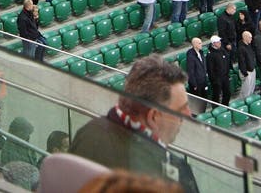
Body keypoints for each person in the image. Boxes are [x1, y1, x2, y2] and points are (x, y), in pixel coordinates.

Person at [70, 55, 198, 190]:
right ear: (154, 116)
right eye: (180, 110)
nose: (188, 115)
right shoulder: (170, 177)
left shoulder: (87, 133)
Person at [238, 30, 256, 98]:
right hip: (247, 72)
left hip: (252, 69)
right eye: (250, 37)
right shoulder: (241, 48)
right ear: (245, 37)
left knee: (251, 88)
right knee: (246, 91)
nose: (251, 39)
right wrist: (245, 73)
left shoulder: (249, 45)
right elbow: (242, 62)